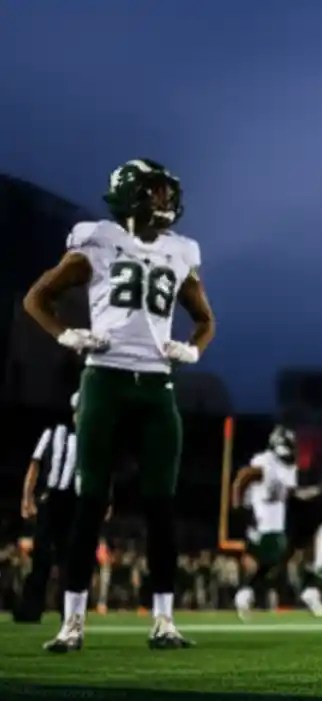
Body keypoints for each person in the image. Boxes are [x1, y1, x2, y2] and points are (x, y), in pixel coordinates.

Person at [23, 158, 215, 652]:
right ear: (131, 195)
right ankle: (71, 623)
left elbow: (205, 319)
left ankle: (165, 621)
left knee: (161, 507)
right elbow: (37, 298)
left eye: (167, 193)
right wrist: (65, 333)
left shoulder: (179, 251)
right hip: (105, 379)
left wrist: (192, 347)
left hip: (155, 385)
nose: (165, 202)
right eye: (155, 192)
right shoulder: (99, 239)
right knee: (89, 504)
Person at [232, 426, 321, 620]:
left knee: (272, 565)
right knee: (285, 558)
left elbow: (289, 493)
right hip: (263, 521)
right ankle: (307, 594)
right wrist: (238, 506)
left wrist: (311, 493)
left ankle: (245, 594)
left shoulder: (286, 466)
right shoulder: (266, 462)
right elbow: (243, 477)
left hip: (275, 523)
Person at [13, 392, 80, 623]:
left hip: (75, 502)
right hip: (51, 499)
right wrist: (27, 498)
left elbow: (101, 472)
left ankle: (68, 612)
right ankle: (30, 610)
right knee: (41, 555)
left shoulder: (92, 436)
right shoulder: (52, 433)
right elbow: (35, 464)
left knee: (68, 559)